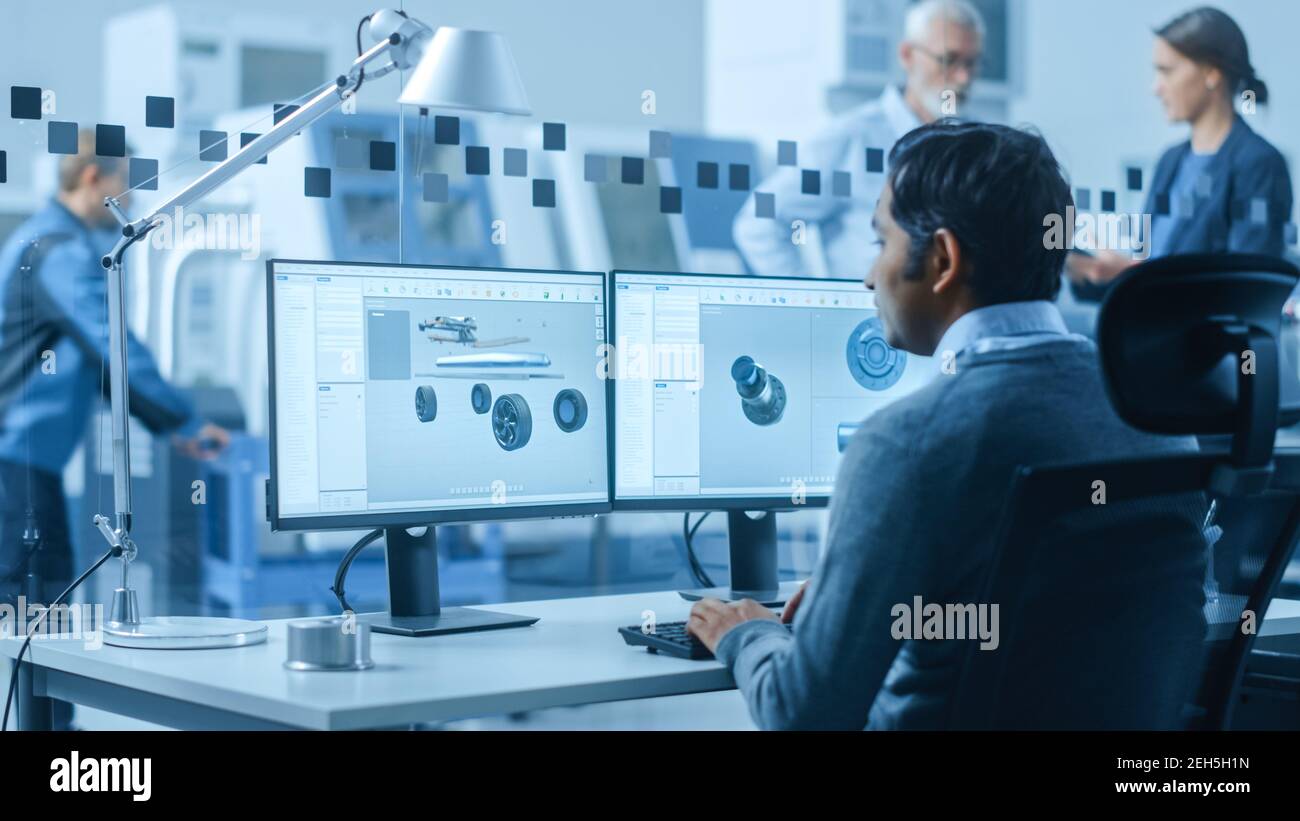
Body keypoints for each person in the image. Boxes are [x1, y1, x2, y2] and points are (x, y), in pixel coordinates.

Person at [686, 121, 1208, 730]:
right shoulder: (1157, 414)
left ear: (941, 259)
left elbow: (803, 716)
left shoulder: (904, 445)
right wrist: (852, 596)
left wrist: (745, 635)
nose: (869, 276)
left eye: (881, 243)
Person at [0, 131, 229, 728]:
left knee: (38, 603)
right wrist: (182, 418)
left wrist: (166, 423)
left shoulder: (44, 242)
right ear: (95, 180)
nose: (128, 198)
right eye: (123, 181)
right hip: (13, 465)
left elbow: (98, 362)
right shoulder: (60, 251)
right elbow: (112, 343)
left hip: (22, 461)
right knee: (39, 607)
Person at [733, 0, 984, 279]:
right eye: (948, 60)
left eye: (971, 63)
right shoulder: (852, 138)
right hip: (871, 316)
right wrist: (812, 301)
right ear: (907, 55)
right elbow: (759, 222)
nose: (963, 77)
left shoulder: (978, 145)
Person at [1069, 5, 1293, 293]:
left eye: (1167, 71)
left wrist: (1134, 275)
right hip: (1150, 330)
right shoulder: (1170, 161)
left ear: (1212, 73)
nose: (1155, 88)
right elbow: (1149, 263)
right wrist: (1092, 270)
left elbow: (1247, 291)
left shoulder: (1259, 164)